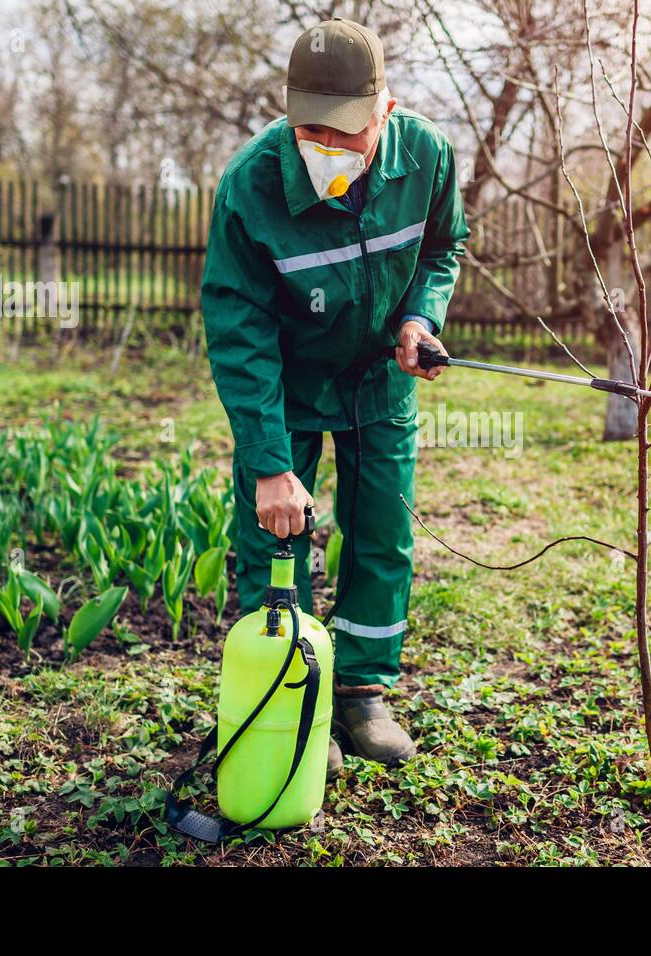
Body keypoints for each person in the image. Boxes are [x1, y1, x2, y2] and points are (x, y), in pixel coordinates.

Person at [200, 17, 469, 777]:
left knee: (382, 534)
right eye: (310, 128)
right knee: (275, 539)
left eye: (345, 131)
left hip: (380, 381)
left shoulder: (426, 156)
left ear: (386, 110)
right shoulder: (250, 185)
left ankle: (360, 693)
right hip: (285, 385)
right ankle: (290, 701)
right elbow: (236, 327)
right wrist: (267, 463)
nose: (326, 144)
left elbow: (444, 248)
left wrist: (420, 317)